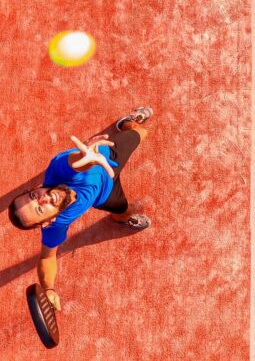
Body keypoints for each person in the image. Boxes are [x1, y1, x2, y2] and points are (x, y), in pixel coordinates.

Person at [8, 106, 154, 311]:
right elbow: (47, 257)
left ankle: (127, 123)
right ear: (47, 222)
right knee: (123, 211)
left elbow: (74, 164)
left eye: (33, 196)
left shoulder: (58, 169)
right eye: (39, 210)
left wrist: (85, 157)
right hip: (105, 196)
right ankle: (121, 218)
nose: (42, 199)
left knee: (141, 132)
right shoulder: (56, 225)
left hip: (108, 157)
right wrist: (48, 289)